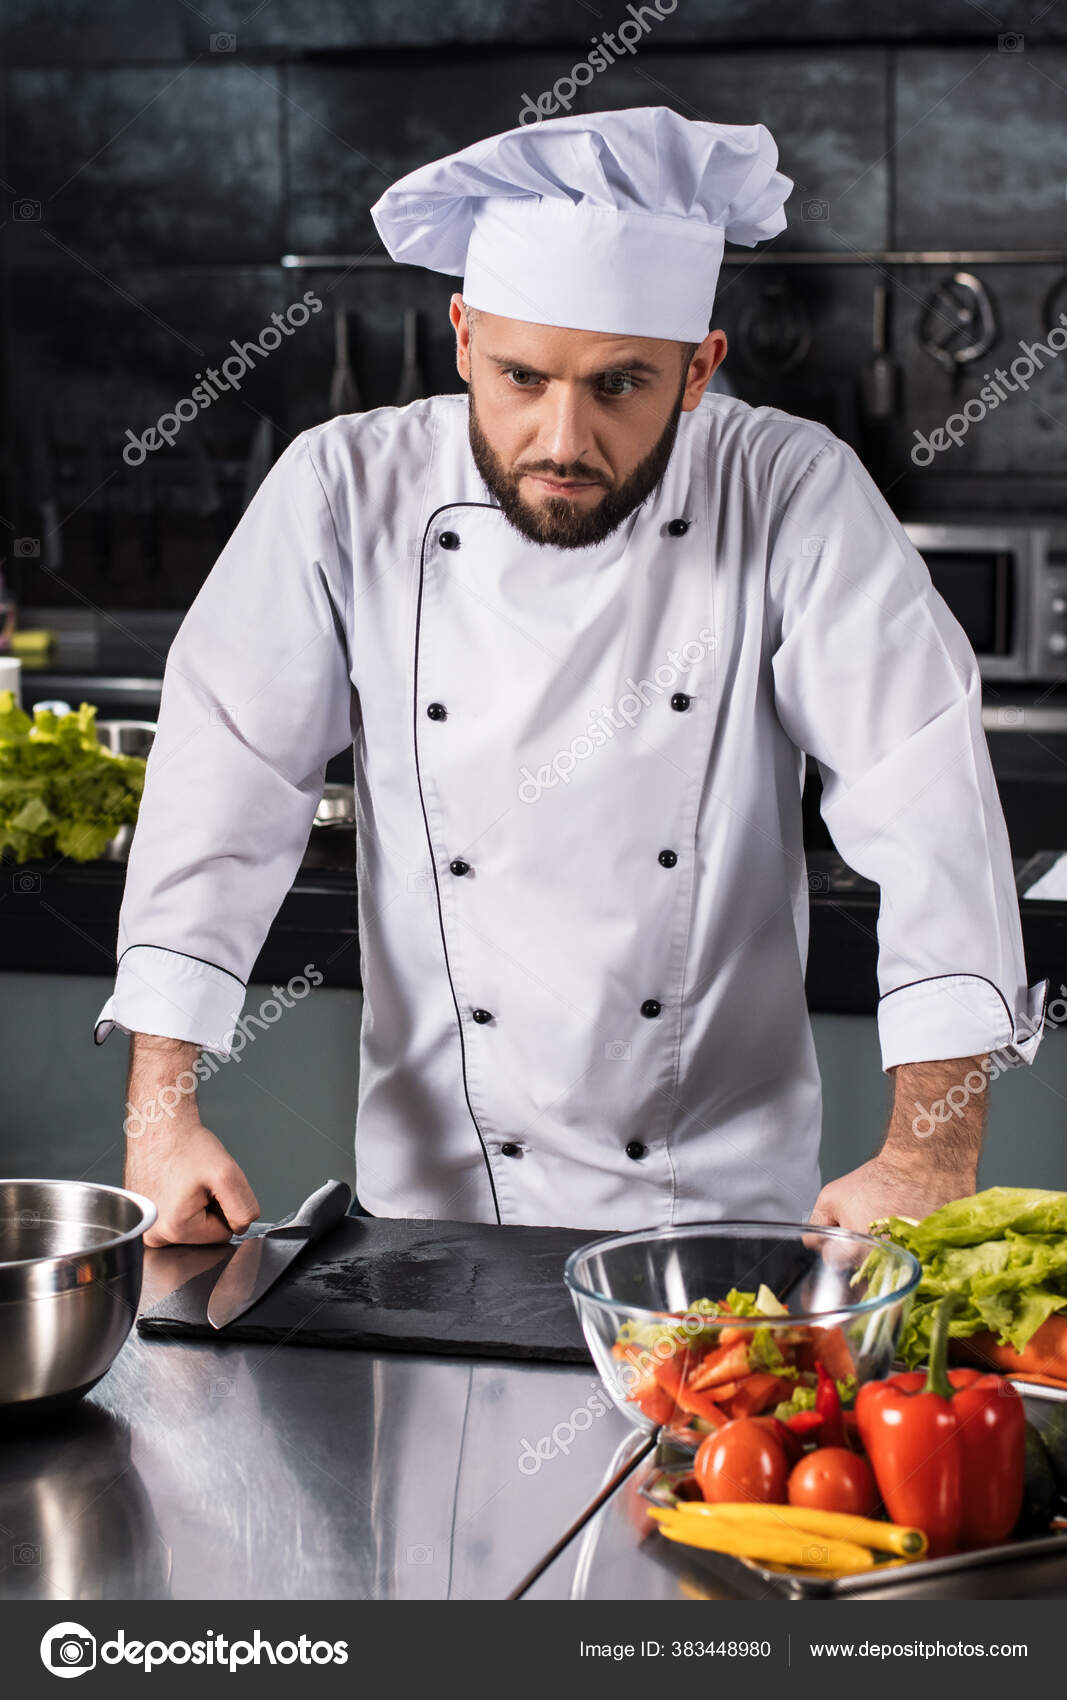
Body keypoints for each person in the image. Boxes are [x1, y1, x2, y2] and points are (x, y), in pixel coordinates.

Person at [96, 108, 1046, 1247]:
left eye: (617, 385)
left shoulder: (787, 490)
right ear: (459, 336)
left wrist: (929, 1152)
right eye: (520, 376)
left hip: (714, 1217)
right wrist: (161, 1113)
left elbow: (924, 796)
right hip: (430, 1216)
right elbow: (224, 783)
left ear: (698, 371)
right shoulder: (346, 489)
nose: (562, 438)